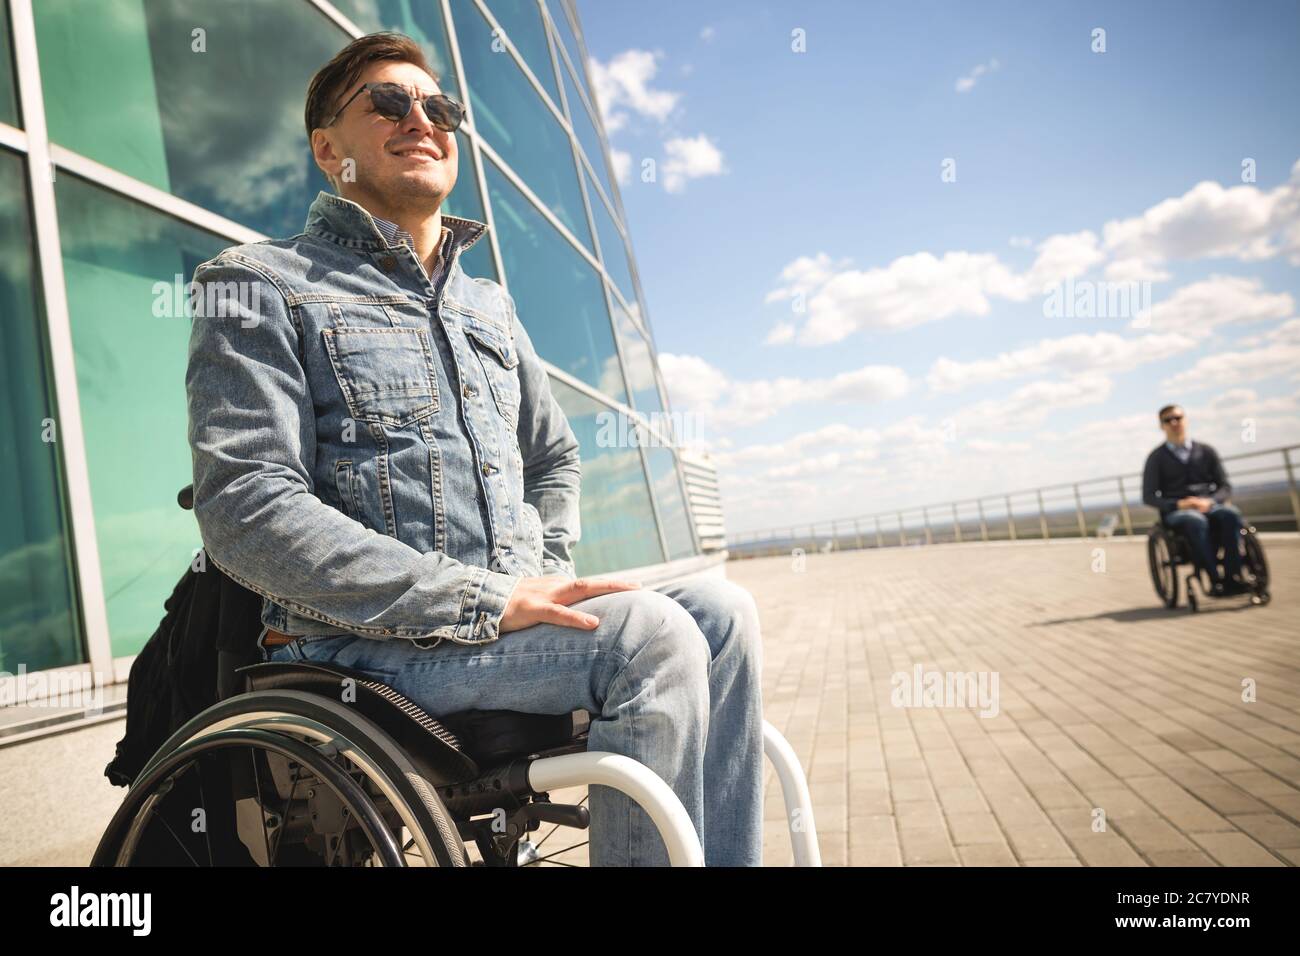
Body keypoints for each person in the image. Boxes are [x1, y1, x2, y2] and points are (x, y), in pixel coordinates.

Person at [184, 32, 763, 866]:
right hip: (358, 643)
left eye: (440, 106)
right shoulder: (259, 282)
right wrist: (482, 598)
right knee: (649, 638)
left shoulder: (488, 305)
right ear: (327, 149)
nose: (421, 118)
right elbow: (246, 510)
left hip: (498, 629)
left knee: (725, 617)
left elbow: (555, 458)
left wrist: (545, 571)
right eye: (388, 102)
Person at [1141, 404, 1245, 595]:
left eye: (1178, 418)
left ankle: (1233, 576)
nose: (1174, 423)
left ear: (1185, 420)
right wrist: (1177, 504)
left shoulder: (1206, 451)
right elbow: (1148, 496)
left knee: (1231, 514)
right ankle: (1214, 580)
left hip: (1209, 505)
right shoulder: (1156, 458)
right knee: (1194, 520)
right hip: (1178, 511)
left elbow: (1225, 486)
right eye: (1168, 420)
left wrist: (1211, 501)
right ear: (1161, 426)